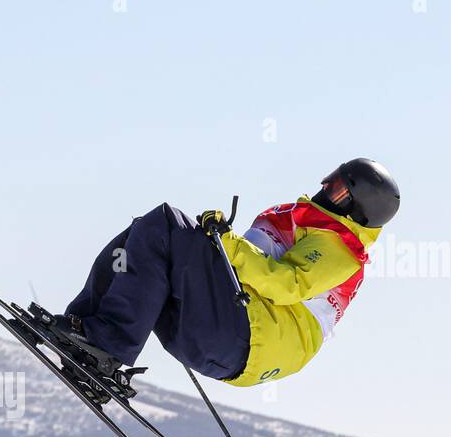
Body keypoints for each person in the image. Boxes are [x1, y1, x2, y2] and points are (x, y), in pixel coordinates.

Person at [38, 158, 400, 398]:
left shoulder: (341, 248)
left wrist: (226, 243)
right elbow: (247, 268)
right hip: (229, 337)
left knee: (164, 224)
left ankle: (104, 347)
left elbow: (283, 283)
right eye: (330, 181)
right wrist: (216, 240)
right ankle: (85, 334)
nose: (327, 191)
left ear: (358, 210)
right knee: (145, 236)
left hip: (247, 341)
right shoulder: (302, 220)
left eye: (340, 192)